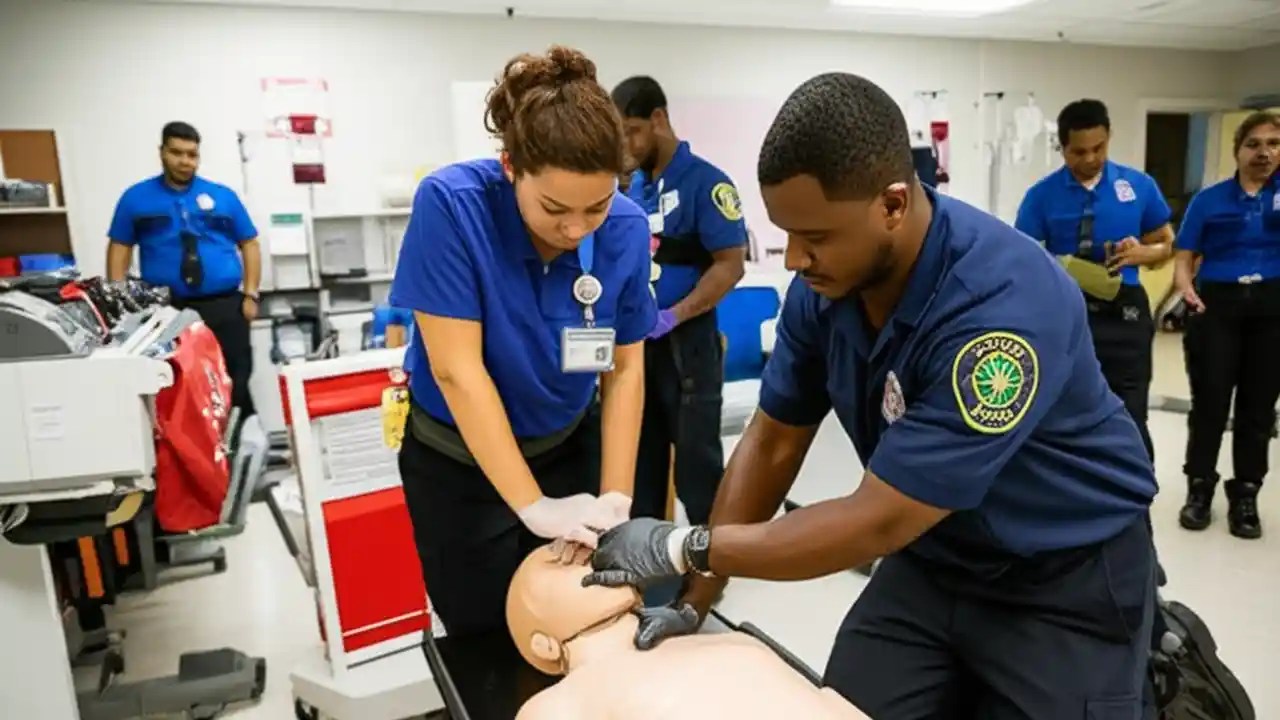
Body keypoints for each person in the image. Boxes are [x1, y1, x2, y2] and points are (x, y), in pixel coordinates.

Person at [584, 73, 1159, 719]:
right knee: (842, 708)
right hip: (936, 560)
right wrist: (696, 597)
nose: (795, 260)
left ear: (891, 204)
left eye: (816, 238)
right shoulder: (825, 290)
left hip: (1061, 577)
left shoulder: (1000, 309)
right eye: (786, 234)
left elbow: (878, 519)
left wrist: (683, 545)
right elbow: (774, 441)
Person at [388, 46, 657, 640]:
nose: (575, 228)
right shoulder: (454, 207)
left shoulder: (627, 230)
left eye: (597, 205)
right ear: (511, 167)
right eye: (555, 207)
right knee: (486, 631)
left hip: (566, 447)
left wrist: (615, 494)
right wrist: (533, 506)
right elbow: (458, 371)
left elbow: (626, 368)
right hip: (457, 465)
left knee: (590, 620)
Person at [507, 545, 869, 719]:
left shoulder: (734, 642)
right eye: (557, 560)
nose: (580, 549)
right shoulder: (555, 706)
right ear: (544, 646)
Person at [611, 76, 748, 525]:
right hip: (636, 353)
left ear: (659, 119)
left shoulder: (705, 184)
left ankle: (711, 570)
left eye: (632, 130)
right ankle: (648, 570)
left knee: (697, 469)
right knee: (641, 467)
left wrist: (674, 315)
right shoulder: (627, 188)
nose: (626, 144)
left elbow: (730, 265)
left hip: (688, 350)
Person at [1015, 99, 1174, 461]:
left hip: (1126, 311)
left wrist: (1144, 253)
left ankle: (1133, 495)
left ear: (1109, 138)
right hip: (1067, 314)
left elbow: (1166, 242)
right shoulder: (1041, 196)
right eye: (1078, 151)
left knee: (1130, 409)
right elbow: (1023, 259)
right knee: (1066, 408)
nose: (1089, 159)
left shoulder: (1138, 186)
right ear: (1062, 148)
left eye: (1098, 148)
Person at [1171, 110, 1280, 540]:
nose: (1264, 152)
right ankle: (1200, 487)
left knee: (1257, 409)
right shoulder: (1209, 200)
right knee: (1210, 403)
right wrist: (1186, 290)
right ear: (1237, 150)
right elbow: (1183, 256)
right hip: (1217, 305)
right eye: (1254, 144)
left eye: (1273, 144)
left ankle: (1246, 494)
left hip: (1273, 307)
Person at [106, 121, 261, 416]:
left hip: (225, 305)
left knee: (235, 377)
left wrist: (251, 294)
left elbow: (250, 243)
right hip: (168, 309)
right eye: (177, 153)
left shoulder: (222, 196)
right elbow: (120, 246)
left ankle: (239, 448)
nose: (185, 161)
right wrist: (118, 299)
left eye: (192, 154)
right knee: (176, 382)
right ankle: (192, 454)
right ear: (162, 152)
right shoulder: (136, 198)